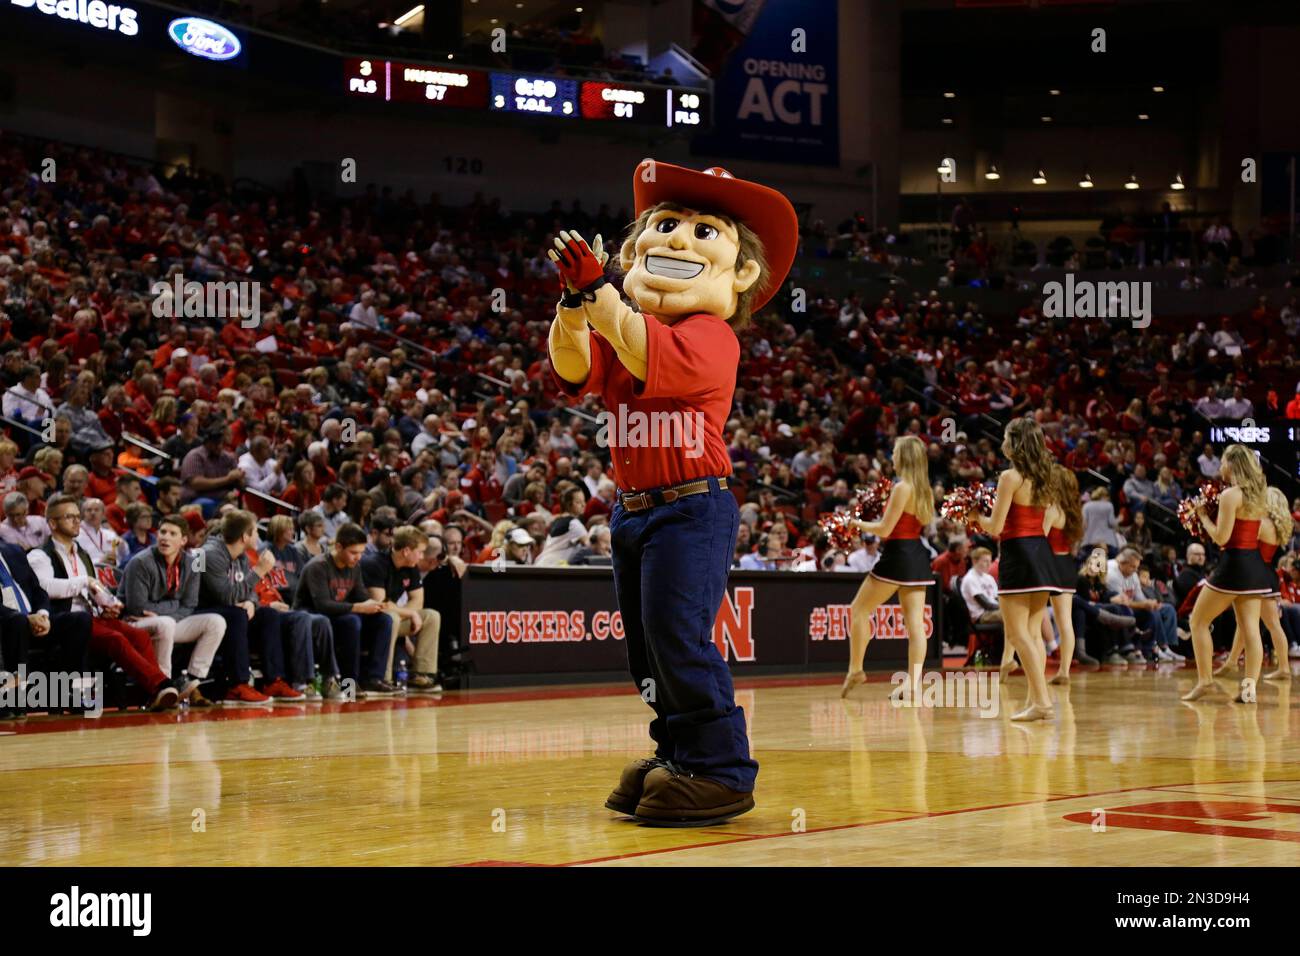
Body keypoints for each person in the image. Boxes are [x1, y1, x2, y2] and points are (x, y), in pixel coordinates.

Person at [546, 159, 797, 825]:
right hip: (633, 511)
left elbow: (631, 343)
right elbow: (574, 364)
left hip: (692, 504)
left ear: (740, 271)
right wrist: (573, 306)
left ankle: (721, 769)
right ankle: (680, 754)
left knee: (680, 636)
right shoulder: (630, 324)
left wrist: (598, 294)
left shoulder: (711, 337)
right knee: (647, 649)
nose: (679, 241)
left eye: (702, 232)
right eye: (666, 226)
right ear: (634, 250)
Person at [29, 495, 182, 711]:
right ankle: (160, 685)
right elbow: (43, 587)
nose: (76, 521)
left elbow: (93, 590)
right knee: (115, 639)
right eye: (68, 517)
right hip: (65, 621)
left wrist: (107, 605)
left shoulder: (82, 555)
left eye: (76, 516)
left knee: (138, 635)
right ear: (52, 523)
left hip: (91, 617)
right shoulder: (40, 555)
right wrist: (84, 581)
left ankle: (150, 694)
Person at [976, 418, 1063, 721]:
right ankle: (1036, 699)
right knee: (1033, 634)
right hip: (1041, 552)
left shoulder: (1009, 477)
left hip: (1018, 555)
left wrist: (974, 517)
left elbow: (996, 527)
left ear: (1014, 442)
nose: (1002, 443)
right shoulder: (1046, 477)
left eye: (1005, 438)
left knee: (1016, 633)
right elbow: (1049, 517)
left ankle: (1041, 703)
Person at [841, 436, 934, 701]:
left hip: (898, 556)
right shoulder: (924, 489)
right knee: (915, 624)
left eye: (894, 452)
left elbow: (884, 529)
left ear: (903, 456)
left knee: (858, 610)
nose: (891, 457)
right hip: (917, 556)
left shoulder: (902, 488)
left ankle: (856, 669)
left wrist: (856, 523)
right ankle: (914, 685)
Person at [1182, 444, 1271, 703]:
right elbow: (1257, 533)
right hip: (1255, 565)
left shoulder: (1231, 495)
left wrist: (1202, 517)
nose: (1220, 467)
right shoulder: (1258, 495)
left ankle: (1205, 681)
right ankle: (1249, 689)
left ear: (1232, 465)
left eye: (1222, 462)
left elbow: (1221, 536)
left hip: (1233, 565)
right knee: (1250, 629)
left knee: (1197, 622)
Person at [118, 515, 227, 707]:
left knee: (216, 621)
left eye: (172, 534)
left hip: (166, 620)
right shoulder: (141, 562)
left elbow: (191, 603)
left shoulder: (194, 560)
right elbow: (137, 606)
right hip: (134, 622)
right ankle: (163, 686)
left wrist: (165, 611)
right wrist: (174, 607)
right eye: (162, 532)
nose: (165, 538)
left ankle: (193, 681)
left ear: (183, 540)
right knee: (166, 623)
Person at [198, 510, 307, 702]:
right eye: (255, 531)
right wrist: (259, 571)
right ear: (244, 536)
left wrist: (251, 602)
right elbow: (226, 595)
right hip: (202, 610)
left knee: (268, 614)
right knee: (237, 615)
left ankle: (273, 681)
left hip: (230, 610)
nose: (258, 535)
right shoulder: (210, 554)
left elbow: (251, 591)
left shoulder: (240, 555)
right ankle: (237, 685)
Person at [293, 522, 398, 697]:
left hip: (341, 615)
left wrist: (377, 604)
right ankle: (349, 684)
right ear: (339, 547)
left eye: (361, 553)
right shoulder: (317, 566)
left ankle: (373, 679)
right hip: (315, 618)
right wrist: (358, 607)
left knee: (384, 620)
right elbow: (323, 605)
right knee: (352, 621)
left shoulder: (354, 567)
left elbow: (360, 595)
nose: (358, 557)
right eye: (353, 553)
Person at [0, 537, 93, 714]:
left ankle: (71, 692)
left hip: (33, 620)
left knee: (80, 620)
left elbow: (38, 590)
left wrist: (43, 615)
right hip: (7, 624)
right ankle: (13, 700)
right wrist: (26, 618)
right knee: (17, 621)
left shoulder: (13, 551)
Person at [1217, 486, 1294, 683]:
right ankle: (1233, 661)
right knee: (1252, 624)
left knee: (1257, 624)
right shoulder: (1278, 526)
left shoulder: (1262, 523)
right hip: (1267, 574)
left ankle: (1281, 667)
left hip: (1255, 574)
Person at [362, 525, 442, 691]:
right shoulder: (374, 563)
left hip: (395, 615)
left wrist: (410, 612)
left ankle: (422, 675)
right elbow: (380, 604)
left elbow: (418, 601)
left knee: (431, 616)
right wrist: (409, 613)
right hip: (371, 619)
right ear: (406, 551)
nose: (421, 556)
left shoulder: (411, 567)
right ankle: (384, 678)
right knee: (390, 618)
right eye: (419, 551)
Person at [1043, 464, 1093, 682]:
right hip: (1067, 565)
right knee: (1065, 622)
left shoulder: (1051, 509)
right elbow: (1073, 546)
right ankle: (1064, 671)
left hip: (1049, 564)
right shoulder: (1074, 513)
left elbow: (1039, 540)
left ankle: (1035, 668)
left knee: (1034, 619)